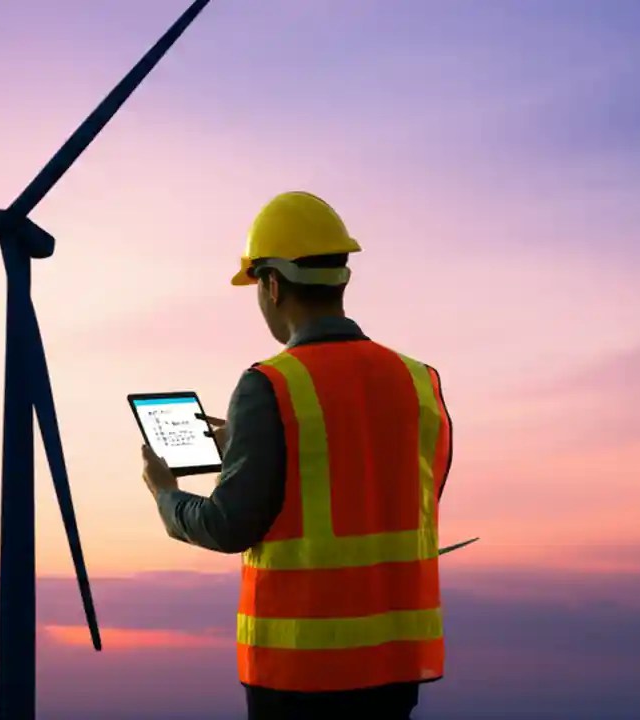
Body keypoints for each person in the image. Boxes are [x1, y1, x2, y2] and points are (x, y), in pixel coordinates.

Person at [140, 191, 453, 720]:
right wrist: (252, 443)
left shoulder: (270, 384)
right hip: (395, 665)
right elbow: (397, 487)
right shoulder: (419, 380)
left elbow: (227, 525)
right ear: (342, 278)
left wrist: (165, 496)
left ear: (271, 284)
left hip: (301, 674)